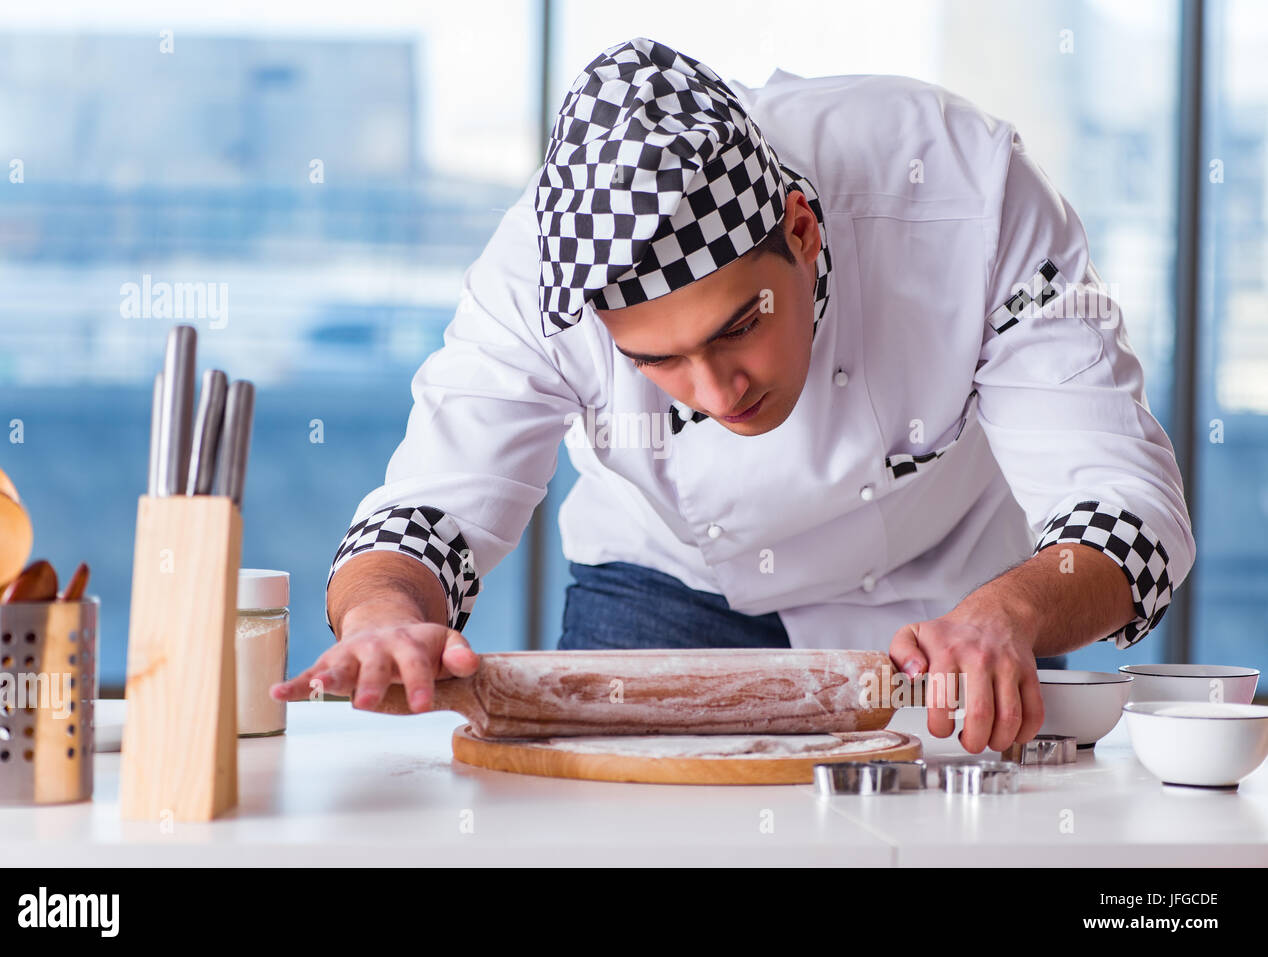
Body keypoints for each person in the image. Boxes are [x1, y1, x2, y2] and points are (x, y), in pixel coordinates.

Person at [272, 37, 1195, 754]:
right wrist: (385, 621)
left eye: (737, 327)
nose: (716, 392)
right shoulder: (534, 284)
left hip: (956, 614)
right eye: (658, 363)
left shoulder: (971, 195)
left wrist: (1014, 614)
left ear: (802, 233)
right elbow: (423, 517)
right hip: (667, 585)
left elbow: (1127, 509)